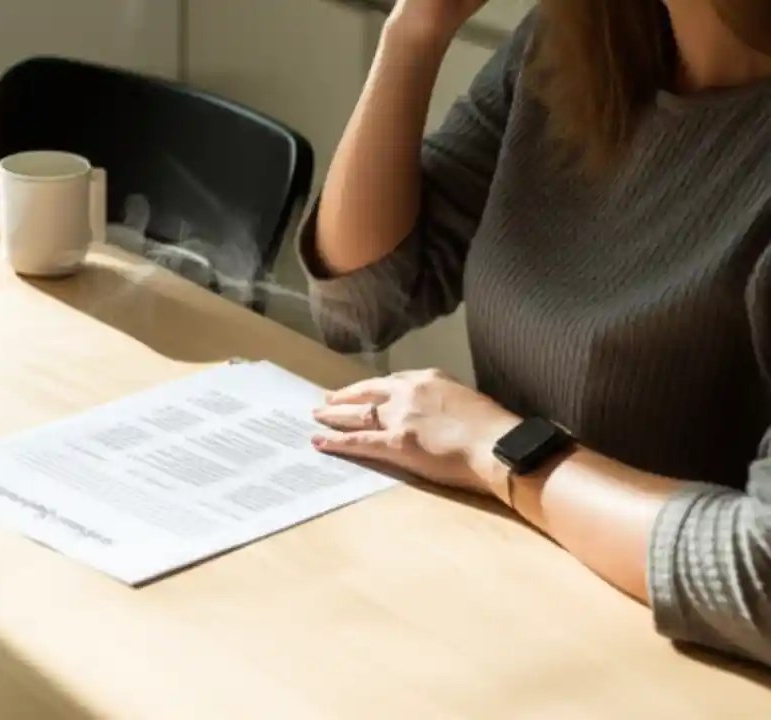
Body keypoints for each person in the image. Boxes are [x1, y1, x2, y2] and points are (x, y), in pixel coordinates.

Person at [303, 0, 771, 667]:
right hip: (509, 594)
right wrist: (416, 30)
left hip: (681, 668)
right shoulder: (580, 34)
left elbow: (760, 577)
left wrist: (494, 447)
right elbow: (361, 300)